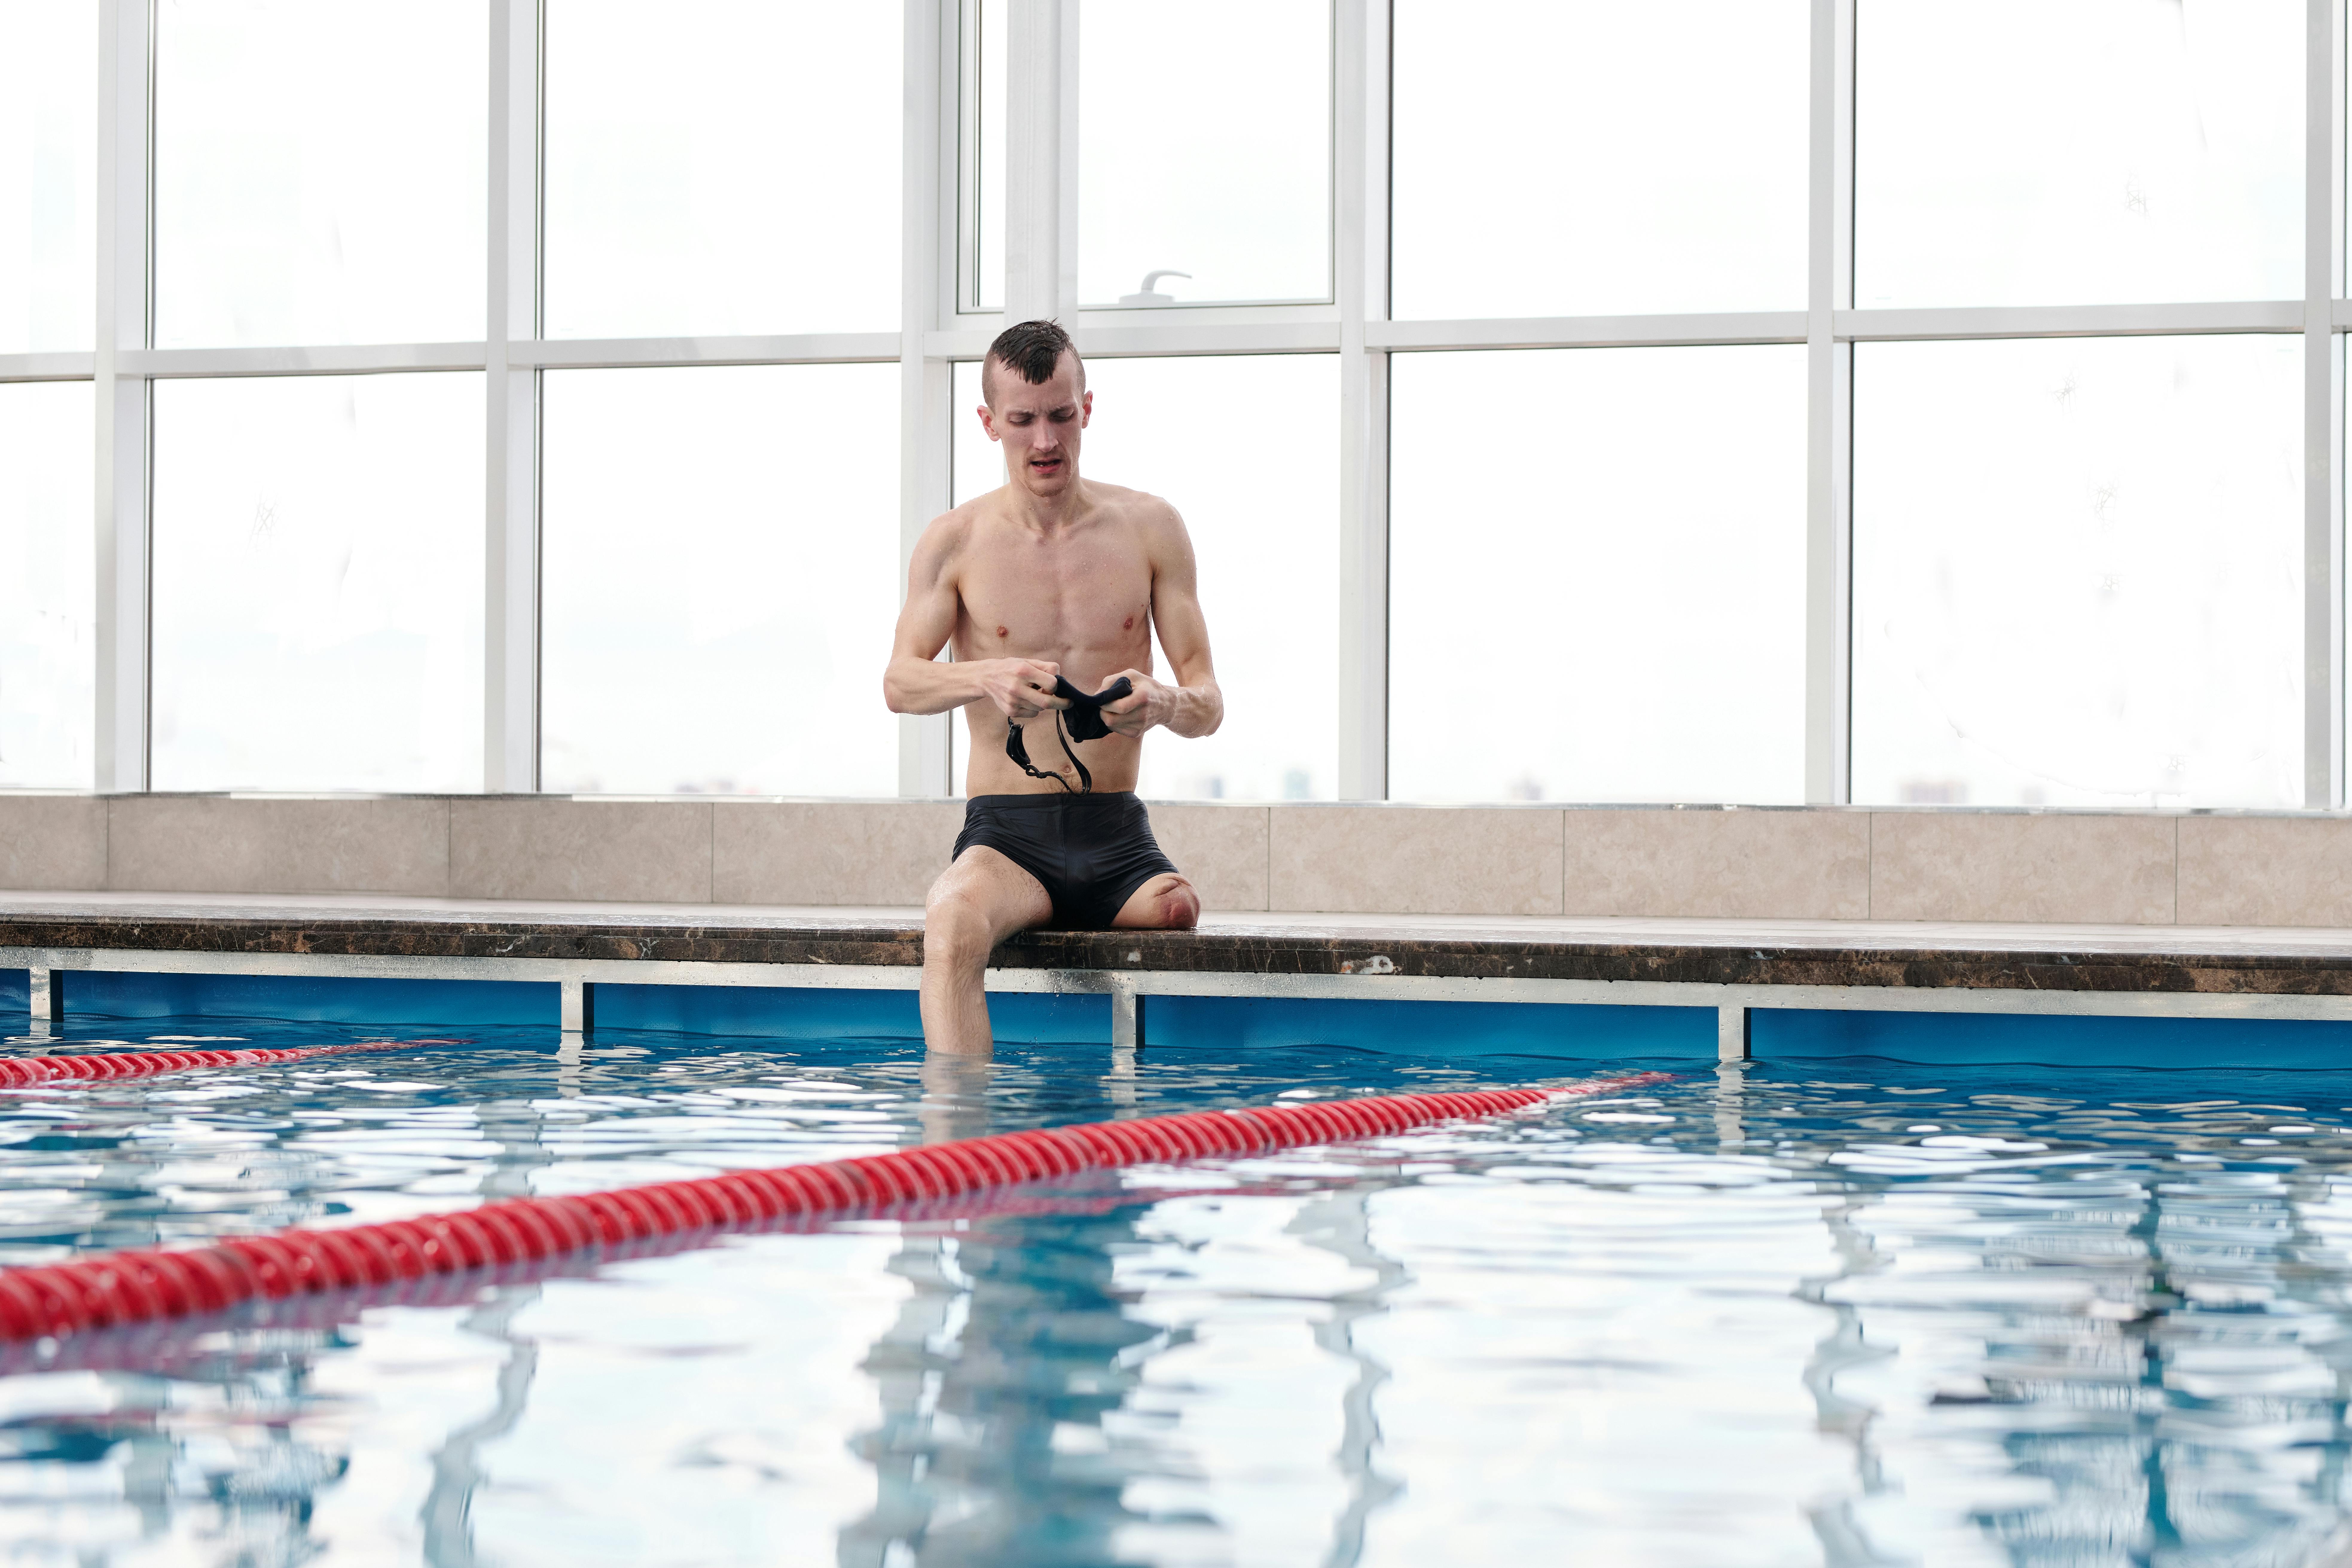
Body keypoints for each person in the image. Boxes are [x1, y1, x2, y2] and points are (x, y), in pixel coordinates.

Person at [883, 320, 1222, 1054]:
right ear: (988, 423)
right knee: (949, 926)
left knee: (1180, 912)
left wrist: (1162, 702)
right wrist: (986, 675)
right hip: (1011, 840)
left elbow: (1208, 704)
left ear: (1087, 409)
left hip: (1117, 837)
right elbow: (901, 683)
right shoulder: (956, 540)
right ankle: (964, 1150)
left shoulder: (1151, 529)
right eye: (1023, 420)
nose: (1045, 441)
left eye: (1062, 416)